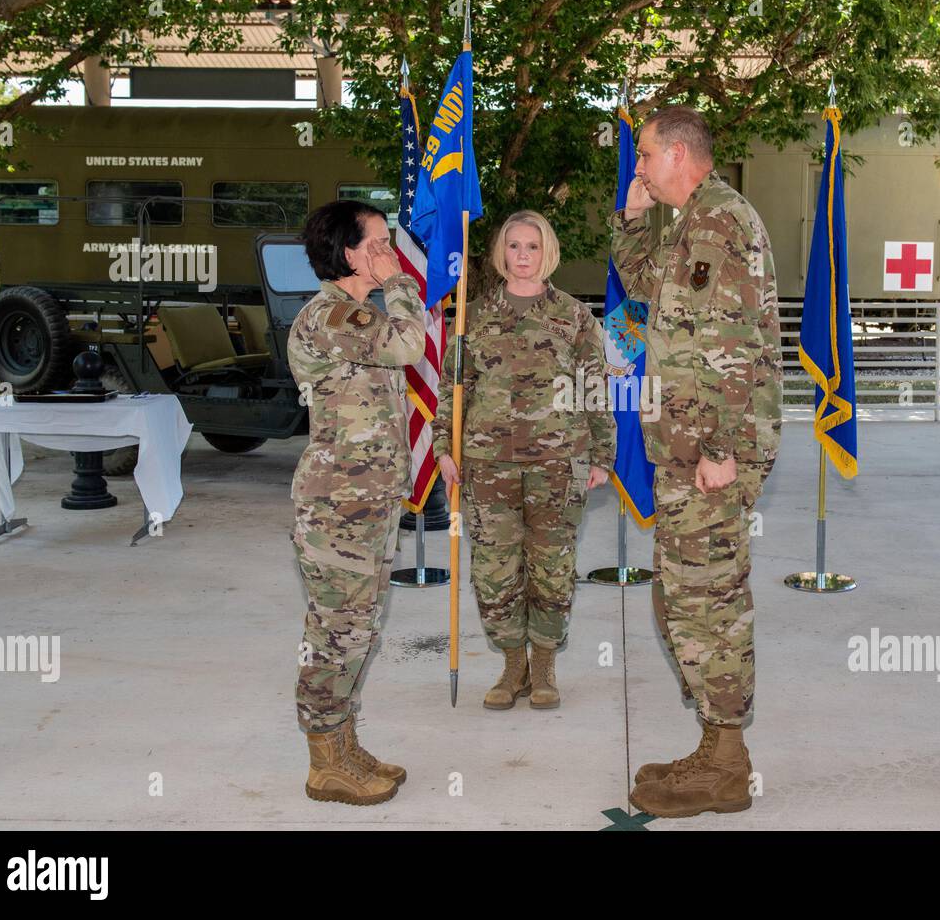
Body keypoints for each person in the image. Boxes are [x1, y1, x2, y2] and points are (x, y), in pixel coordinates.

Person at [609, 106, 782, 818]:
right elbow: (649, 290)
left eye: (645, 157)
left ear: (679, 153)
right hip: (684, 448)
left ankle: (729, 764)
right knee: (686, 597)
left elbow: (734, 347)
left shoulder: (721, 222)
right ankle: (715, 744)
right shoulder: (690, 224)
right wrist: (630, 216)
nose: (639, 167)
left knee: (709, 602)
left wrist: (719, 450)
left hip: (710, 452)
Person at [435, 210, 615, 710]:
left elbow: (594, 387)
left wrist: (603, 453)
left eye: (532, 247)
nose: (522, 256)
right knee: (494, 569)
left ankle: (545, 668)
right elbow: (454, 388)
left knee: (551, 568)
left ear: (547, 253)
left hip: (558, 463)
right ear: (501, 253)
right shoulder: (474, 316)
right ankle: (512, 665)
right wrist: (442, 447)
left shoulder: (575, 316)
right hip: (486, 463)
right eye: (513, 246)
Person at [288, 200, 426, 805]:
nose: (388, 251)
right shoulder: (331, 316)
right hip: (337, 512)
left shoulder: (357, 315)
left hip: (366, 506)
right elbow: (409, 345)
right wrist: (399, 285)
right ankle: (325, 763)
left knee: (358, 629)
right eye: (377, 242)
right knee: (336, 633)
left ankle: (343, 744)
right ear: (349, 252)